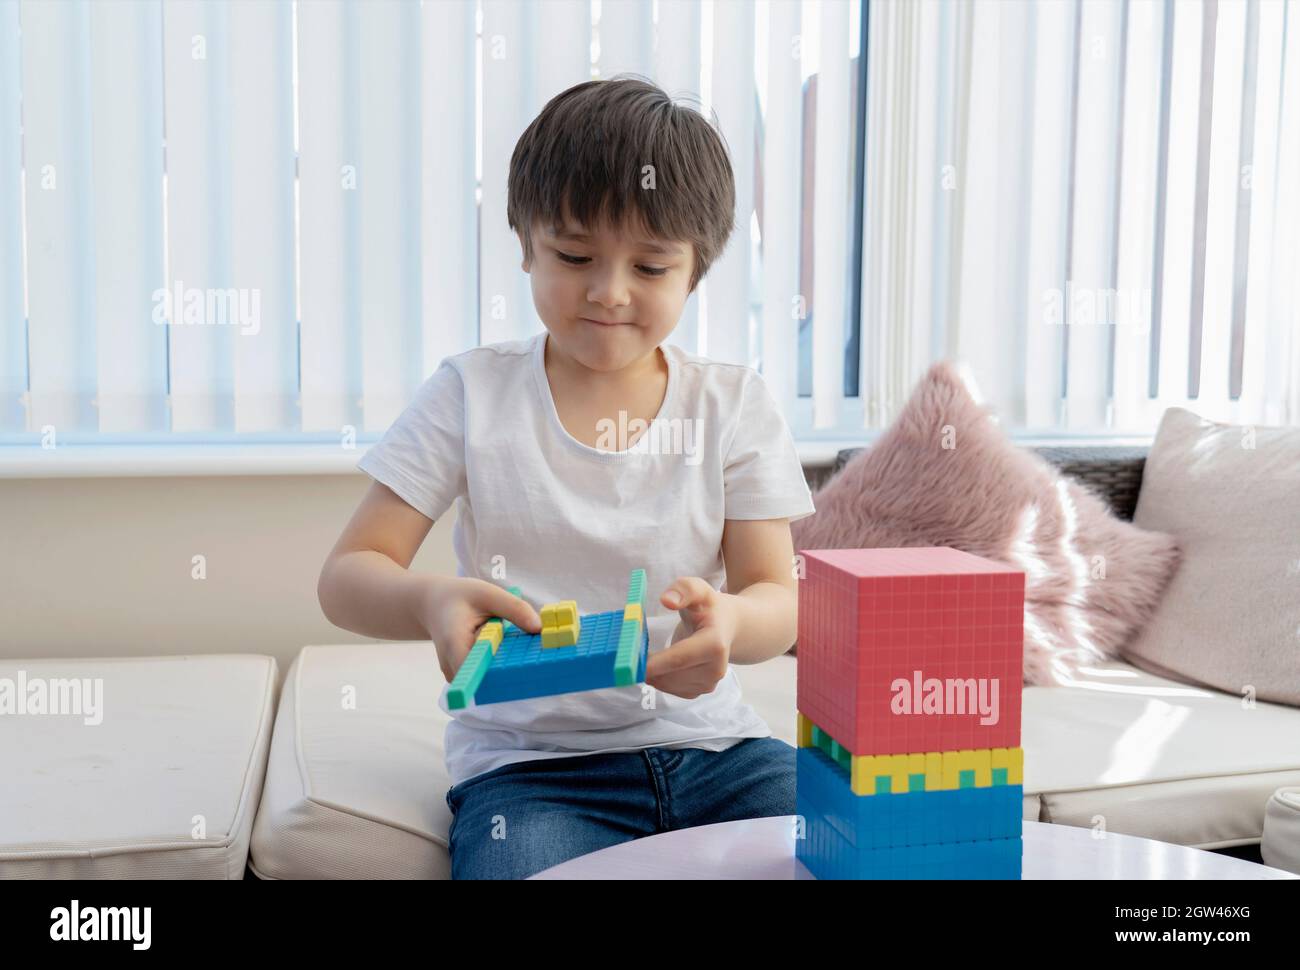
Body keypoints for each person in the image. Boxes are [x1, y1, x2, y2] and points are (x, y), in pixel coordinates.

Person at [317, 75, 814, 879]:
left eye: (650, 266)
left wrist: (730, 623)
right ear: (526, 244)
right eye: (575, 256)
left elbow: (777, 600)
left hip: (720, 752)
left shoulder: (732, 403)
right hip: (533, 775)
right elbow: (348, 576)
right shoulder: (471, 394)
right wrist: (430, 600)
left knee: (866, 852)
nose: (608, 293)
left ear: (695, 272)